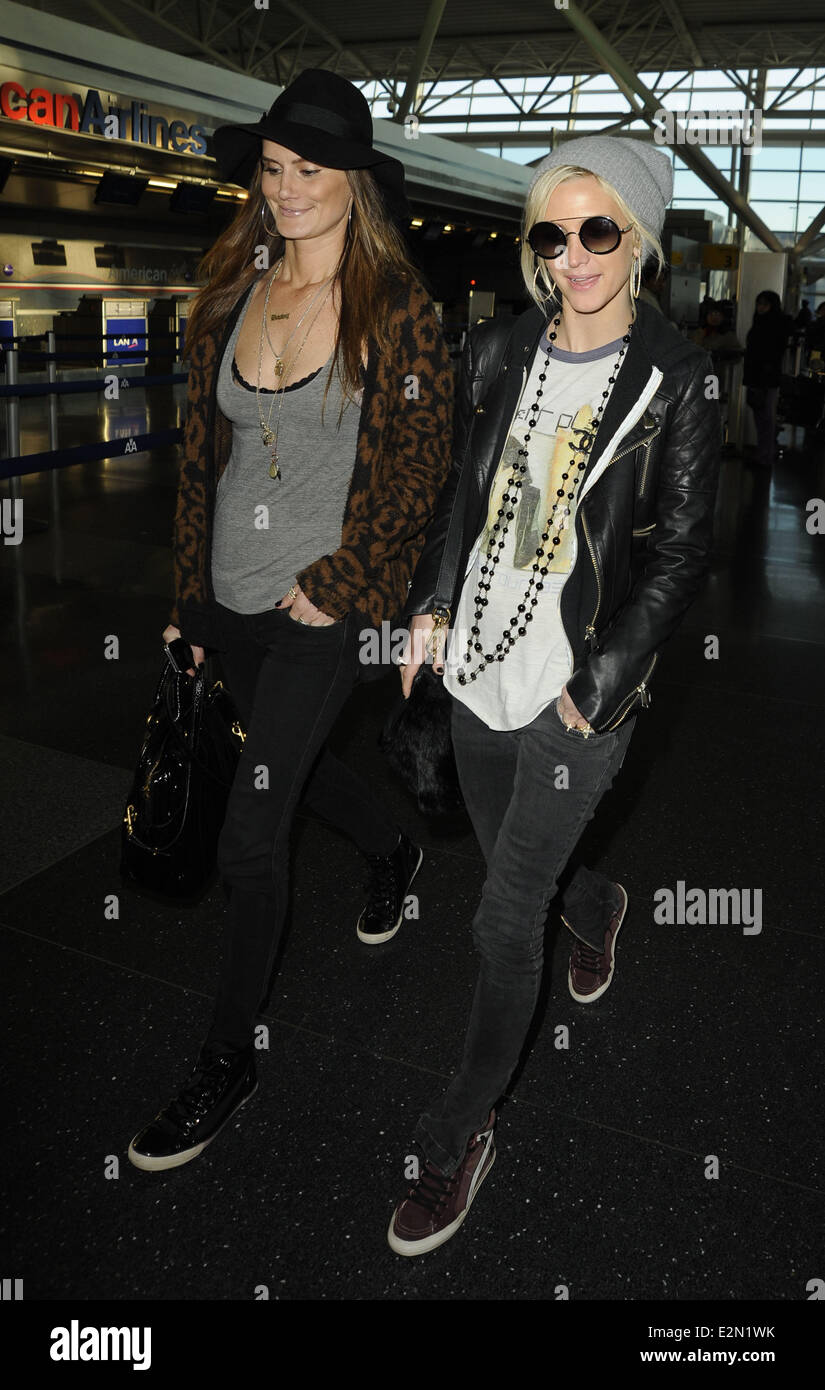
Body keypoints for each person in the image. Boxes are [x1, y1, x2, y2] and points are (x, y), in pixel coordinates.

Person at [388, 135, 721, 1256]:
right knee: (518, 873)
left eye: (598, 230)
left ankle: (455, 1134)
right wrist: (432, 605)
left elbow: (679, 554)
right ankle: (600, 901)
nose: (572, 255)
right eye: (551, 231)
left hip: (578, 694)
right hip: (482, 667)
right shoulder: (499, 350)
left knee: (498, 915)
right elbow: (461, 499)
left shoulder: (675, 377)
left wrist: (602, 684)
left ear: (640, 241)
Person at [128, 69, 454, 1172]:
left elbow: (420, 467)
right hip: (230, 604)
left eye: (312, 170)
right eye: (274, 167)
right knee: (295, 769)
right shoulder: (231, 291)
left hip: (322, 612)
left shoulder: (396, 308)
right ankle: (394, 848)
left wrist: (351, 579)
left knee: (253, 831)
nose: (289, 189)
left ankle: (228, 1057)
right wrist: (188, 604)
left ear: (356, 181)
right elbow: (200, 462)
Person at [743, 289, 792, 469]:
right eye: (759, 304)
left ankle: (765, 454)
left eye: (765, 304)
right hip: (760, 377)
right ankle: (763, 453)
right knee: (762, 417)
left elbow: (769, 353)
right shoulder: (766, 323)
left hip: (765, 378)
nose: (761, 307)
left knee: (765, 417)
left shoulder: (772, 325)